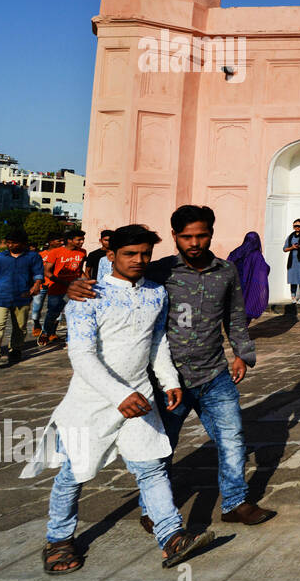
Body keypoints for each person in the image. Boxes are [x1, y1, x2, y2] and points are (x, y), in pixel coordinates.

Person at [21, 224, 216, 573]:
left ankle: (171, 536)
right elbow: (81, 356)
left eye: (145, 254)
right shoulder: (87, 296)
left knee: (151, 466)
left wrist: (169, 380)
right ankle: (59, 539)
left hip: (139, 395)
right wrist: (118, 394)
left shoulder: (156, 293)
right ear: (110, 256)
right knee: (75, 471)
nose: (139, 260)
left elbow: (156, 343)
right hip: (91, 399)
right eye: (130, 254)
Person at [66, 204, 275, 528]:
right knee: (162, 446)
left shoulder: (226, 272)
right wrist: (76, 288)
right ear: (175, 237)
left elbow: (234, 315)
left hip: (214, 374)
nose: (195, 243)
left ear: (211, 234)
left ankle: (235, 503)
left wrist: (242, 354)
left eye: (201, 235)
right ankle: (154, 509)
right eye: (187, 236)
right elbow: (120, 282)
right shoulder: (158, 271)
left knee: (232, 439)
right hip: (169, 380)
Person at [0, 228, 44, 368]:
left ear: (24, 243)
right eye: (8, 242)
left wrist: (36, 285)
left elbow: (38, 274)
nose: (10, 245)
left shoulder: (33, 257)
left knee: (20, 327)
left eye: (14, 243)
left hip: (22, 297)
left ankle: (15, 349)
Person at [39, 229, 88, 346]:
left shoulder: (82, 252)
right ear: (70, 240)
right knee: (53, 313)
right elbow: (47, 272)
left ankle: (70, 338)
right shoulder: (56, 252)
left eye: (83, 240)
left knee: (74, 313)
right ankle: (46, 332)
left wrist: (87, 281)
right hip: (56, 288)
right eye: (79, 240)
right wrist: (61, 281)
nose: (82, 242)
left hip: (74, 288)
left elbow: (79, 270)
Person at [226, 231, 271, 323]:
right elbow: (263, 268)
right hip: (248, 285)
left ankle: (235, 329)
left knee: (235, 308)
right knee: (247, 307)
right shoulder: (256, 255)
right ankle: (242, 331)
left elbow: (227, 265)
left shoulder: (236, 252)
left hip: (234, 285)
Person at [29, 235, 64, 336]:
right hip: (42, 285)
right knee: (37, 308)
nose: (61, 242)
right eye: (58, 240)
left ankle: (51, 332)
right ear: (50, 241)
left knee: (57, 310)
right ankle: (36, 325)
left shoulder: (62, 254)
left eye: (62, 240)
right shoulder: (40, 255)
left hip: (56, 285)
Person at [282, 219, 300, 304]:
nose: (297, 227)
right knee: (293, 279)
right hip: (293, 261)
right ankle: (293, 297)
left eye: (298, 226)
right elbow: (284, 249)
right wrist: (292, 248)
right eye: (295, 226)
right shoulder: (290, 236)